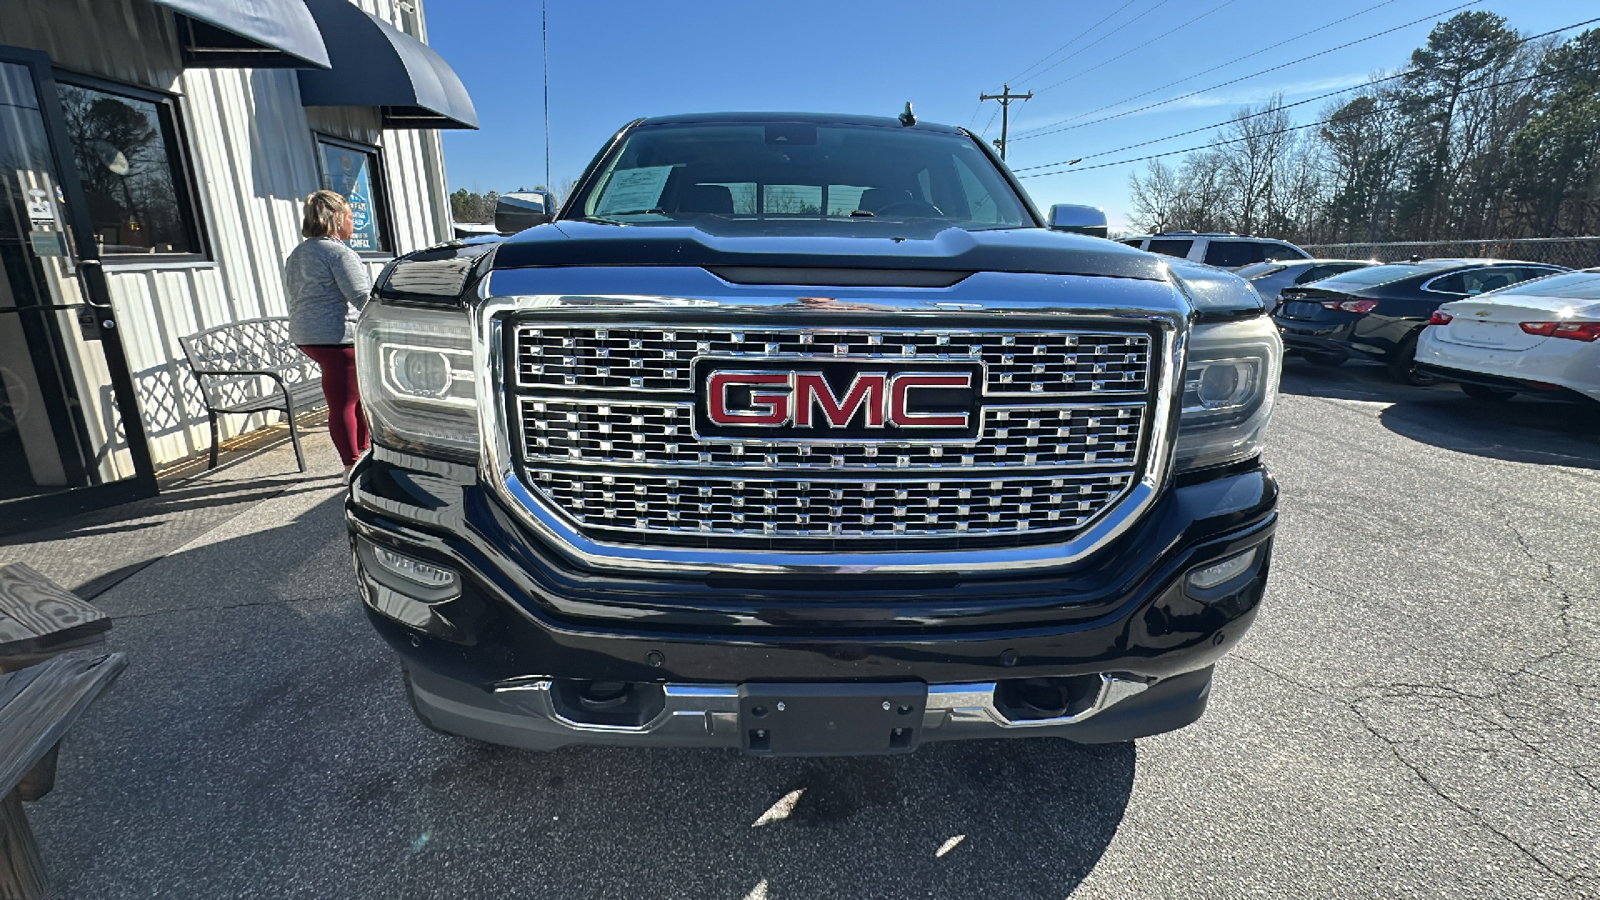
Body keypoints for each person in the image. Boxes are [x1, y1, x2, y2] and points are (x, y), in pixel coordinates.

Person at [284, 190, 371, 472]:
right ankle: (352, 466)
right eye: (349, 216)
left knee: (353, 398)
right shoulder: (338, 253)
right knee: (346, 402)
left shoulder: (298, 254)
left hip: (307, 335)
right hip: (337, 337)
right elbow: (362, 298)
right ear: (335, 219)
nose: (353, 223)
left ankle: (363, 453)